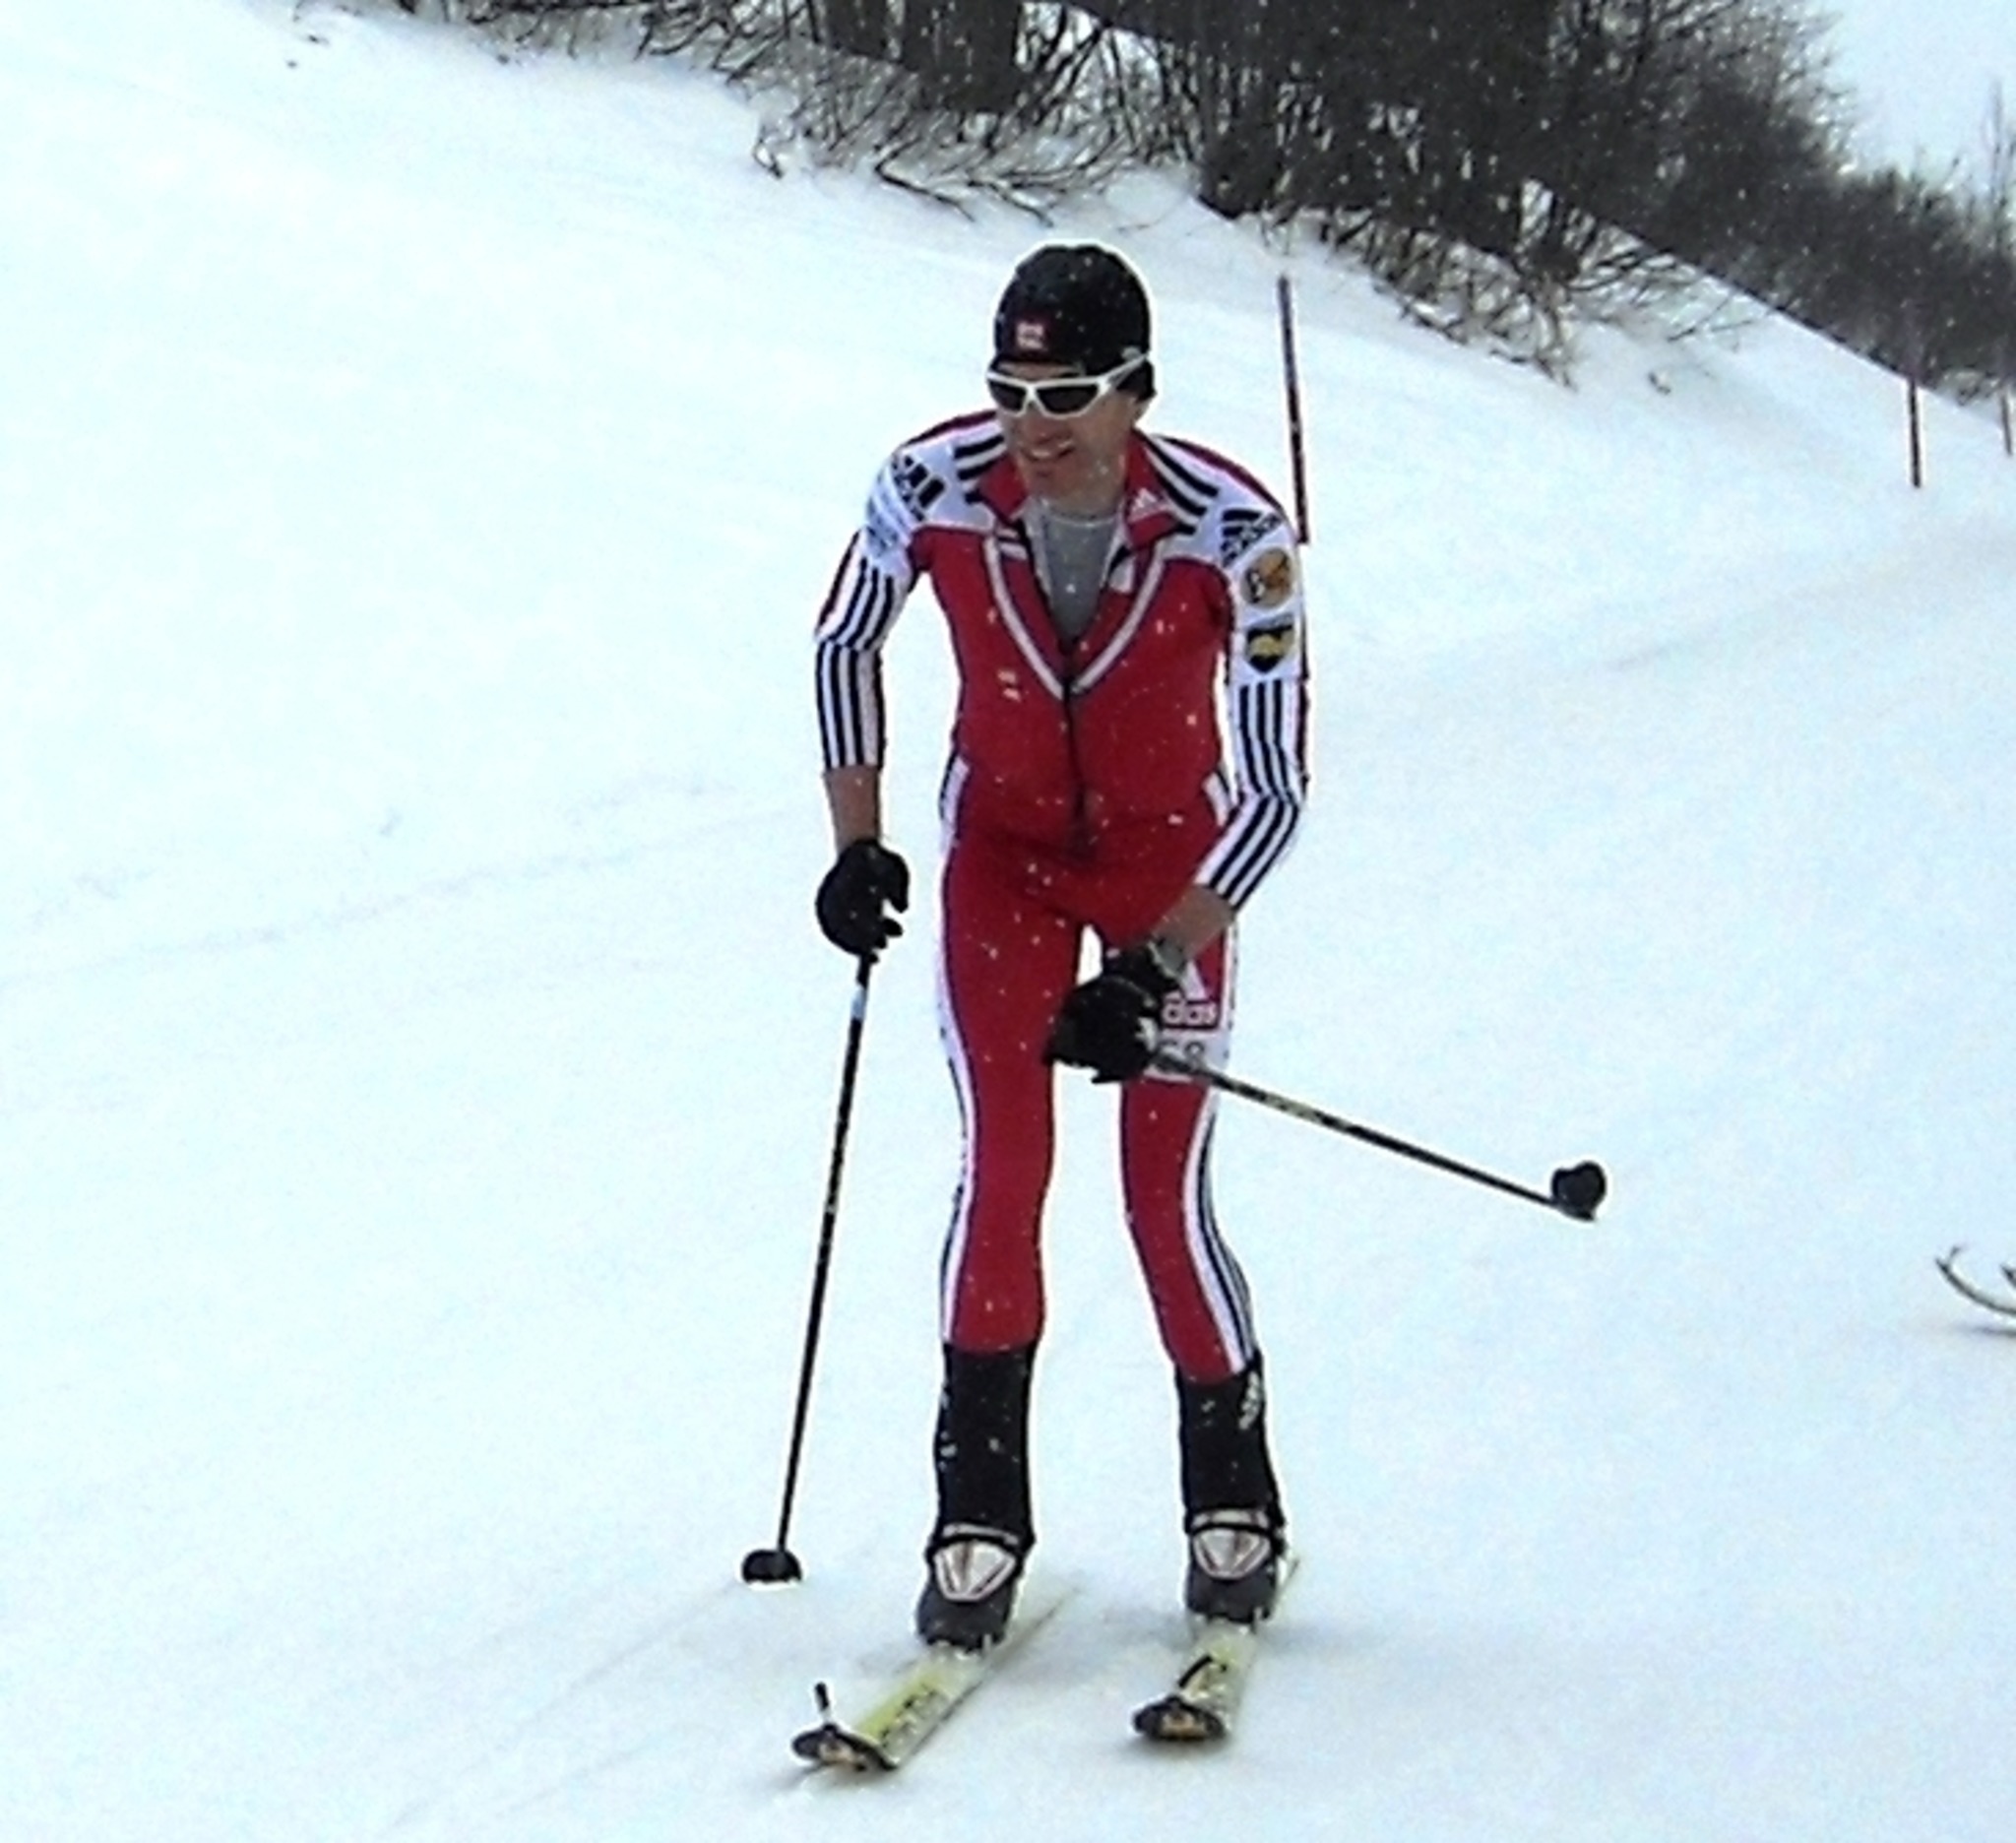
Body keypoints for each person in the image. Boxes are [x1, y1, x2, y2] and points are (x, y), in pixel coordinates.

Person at [811, 243, 1311, 1650]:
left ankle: (1235, 1500)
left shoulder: (1234, 531)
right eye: (1012, 388)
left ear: (1138, 391)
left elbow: (1276, 792)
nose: (1035, 424)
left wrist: (1152, 970)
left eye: (1071, 391)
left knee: (1164, 1194)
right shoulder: (933, 483)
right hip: (1006, 864)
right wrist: (855, 841)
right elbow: (845, 641)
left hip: (1171, 875)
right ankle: (977, 1520)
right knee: (1005, 1172)